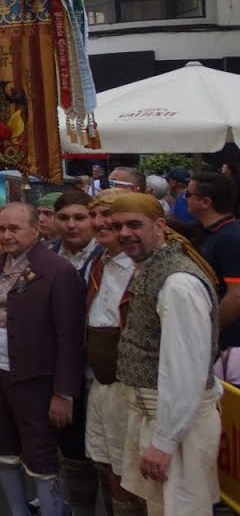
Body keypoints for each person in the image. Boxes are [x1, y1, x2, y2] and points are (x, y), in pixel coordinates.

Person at [0, 203, 85, 516]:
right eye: (2, 228)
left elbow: (70, 338)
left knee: (41, 452)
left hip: (35, 377)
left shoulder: (58, 270)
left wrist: (64, 392)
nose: (5, 235)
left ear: (36, 229)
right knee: (1, 447)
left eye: (14, 229)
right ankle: (18, 511)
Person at [109, 192, 221, 516]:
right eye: (118, 226)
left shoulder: (177, 283)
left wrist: (165, 440)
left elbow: (186, 371)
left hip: (178, 423)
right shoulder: (153, 270)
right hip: (158, 417)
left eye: (134, 224)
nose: (125, 233)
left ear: (159, 226)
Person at [45, 190, 106, 516]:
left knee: (102, 456)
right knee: (70, 451)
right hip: (56, 370)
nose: (71, 225)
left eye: (79, 217)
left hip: (96, 375)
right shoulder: (46, 255)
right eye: (64, 218)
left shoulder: (105, 259)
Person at [82, 190, 141, 515]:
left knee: (130, 472)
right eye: (97, 215)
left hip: (133, 389)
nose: (101, 222)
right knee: (106, 464)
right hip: (102, 383)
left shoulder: (143, 267)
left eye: (110, 214)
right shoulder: (100, 261)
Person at [188, 171, 240, 348]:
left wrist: (210, 332)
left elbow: (236, 294)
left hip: (228, 343)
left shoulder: (230, 238)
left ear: (205, 202)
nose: (184, 198)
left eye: (188, 194)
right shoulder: (206, 231)